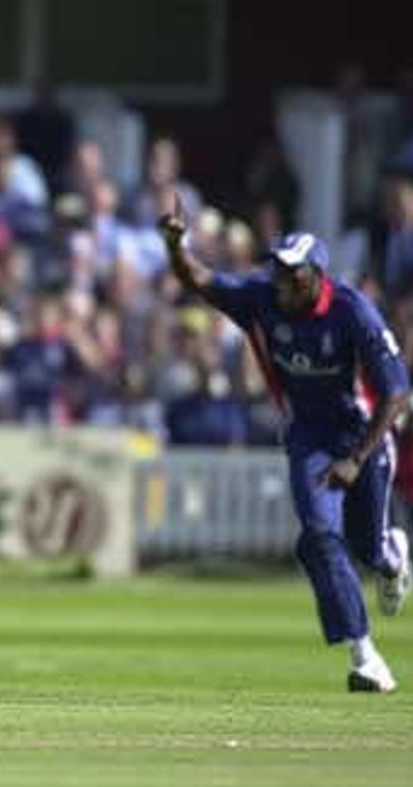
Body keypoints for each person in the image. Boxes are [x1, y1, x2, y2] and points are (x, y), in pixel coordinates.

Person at [159, 196, 413, 693]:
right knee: (318, 536)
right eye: (277, 270)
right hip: (309, 437)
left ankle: (390, 554)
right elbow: (200, 281)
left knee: (367, 546)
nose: (282, 282)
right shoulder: (261, 299)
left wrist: (357, 459)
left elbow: (397, 391)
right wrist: (175, 246)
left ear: (315, 276)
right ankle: (365, 657)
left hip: (361, 434)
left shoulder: (351, 311)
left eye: (292, 274)